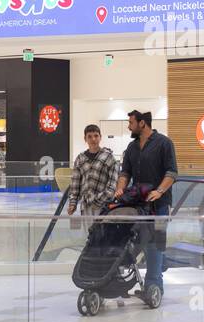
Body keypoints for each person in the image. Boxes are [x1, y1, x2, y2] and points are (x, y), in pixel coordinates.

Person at [114, 110, 177, 302]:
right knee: (138, 243)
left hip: (159, 205)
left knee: (155, 245)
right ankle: (157, 271)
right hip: (138, 206)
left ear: (142, 123)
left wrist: (159, 191)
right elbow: (125, 173)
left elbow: (172, 172)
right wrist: (120, 189)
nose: (128, 126)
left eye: (131, 122)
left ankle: (153, 285)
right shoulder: (132, 148)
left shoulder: (164, 143)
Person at [67, 124, 116, 217]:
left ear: (100, 137)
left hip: (104, 206)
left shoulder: (109, 157)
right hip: (86, 206)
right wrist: (72, 203)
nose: (93, 139)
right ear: (85, 139)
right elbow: (75, 184)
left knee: (103, 231)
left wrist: (99, 200)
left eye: (96, 136)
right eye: (89, 136)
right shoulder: (80, 159)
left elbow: (112, 184)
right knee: (88, 232)